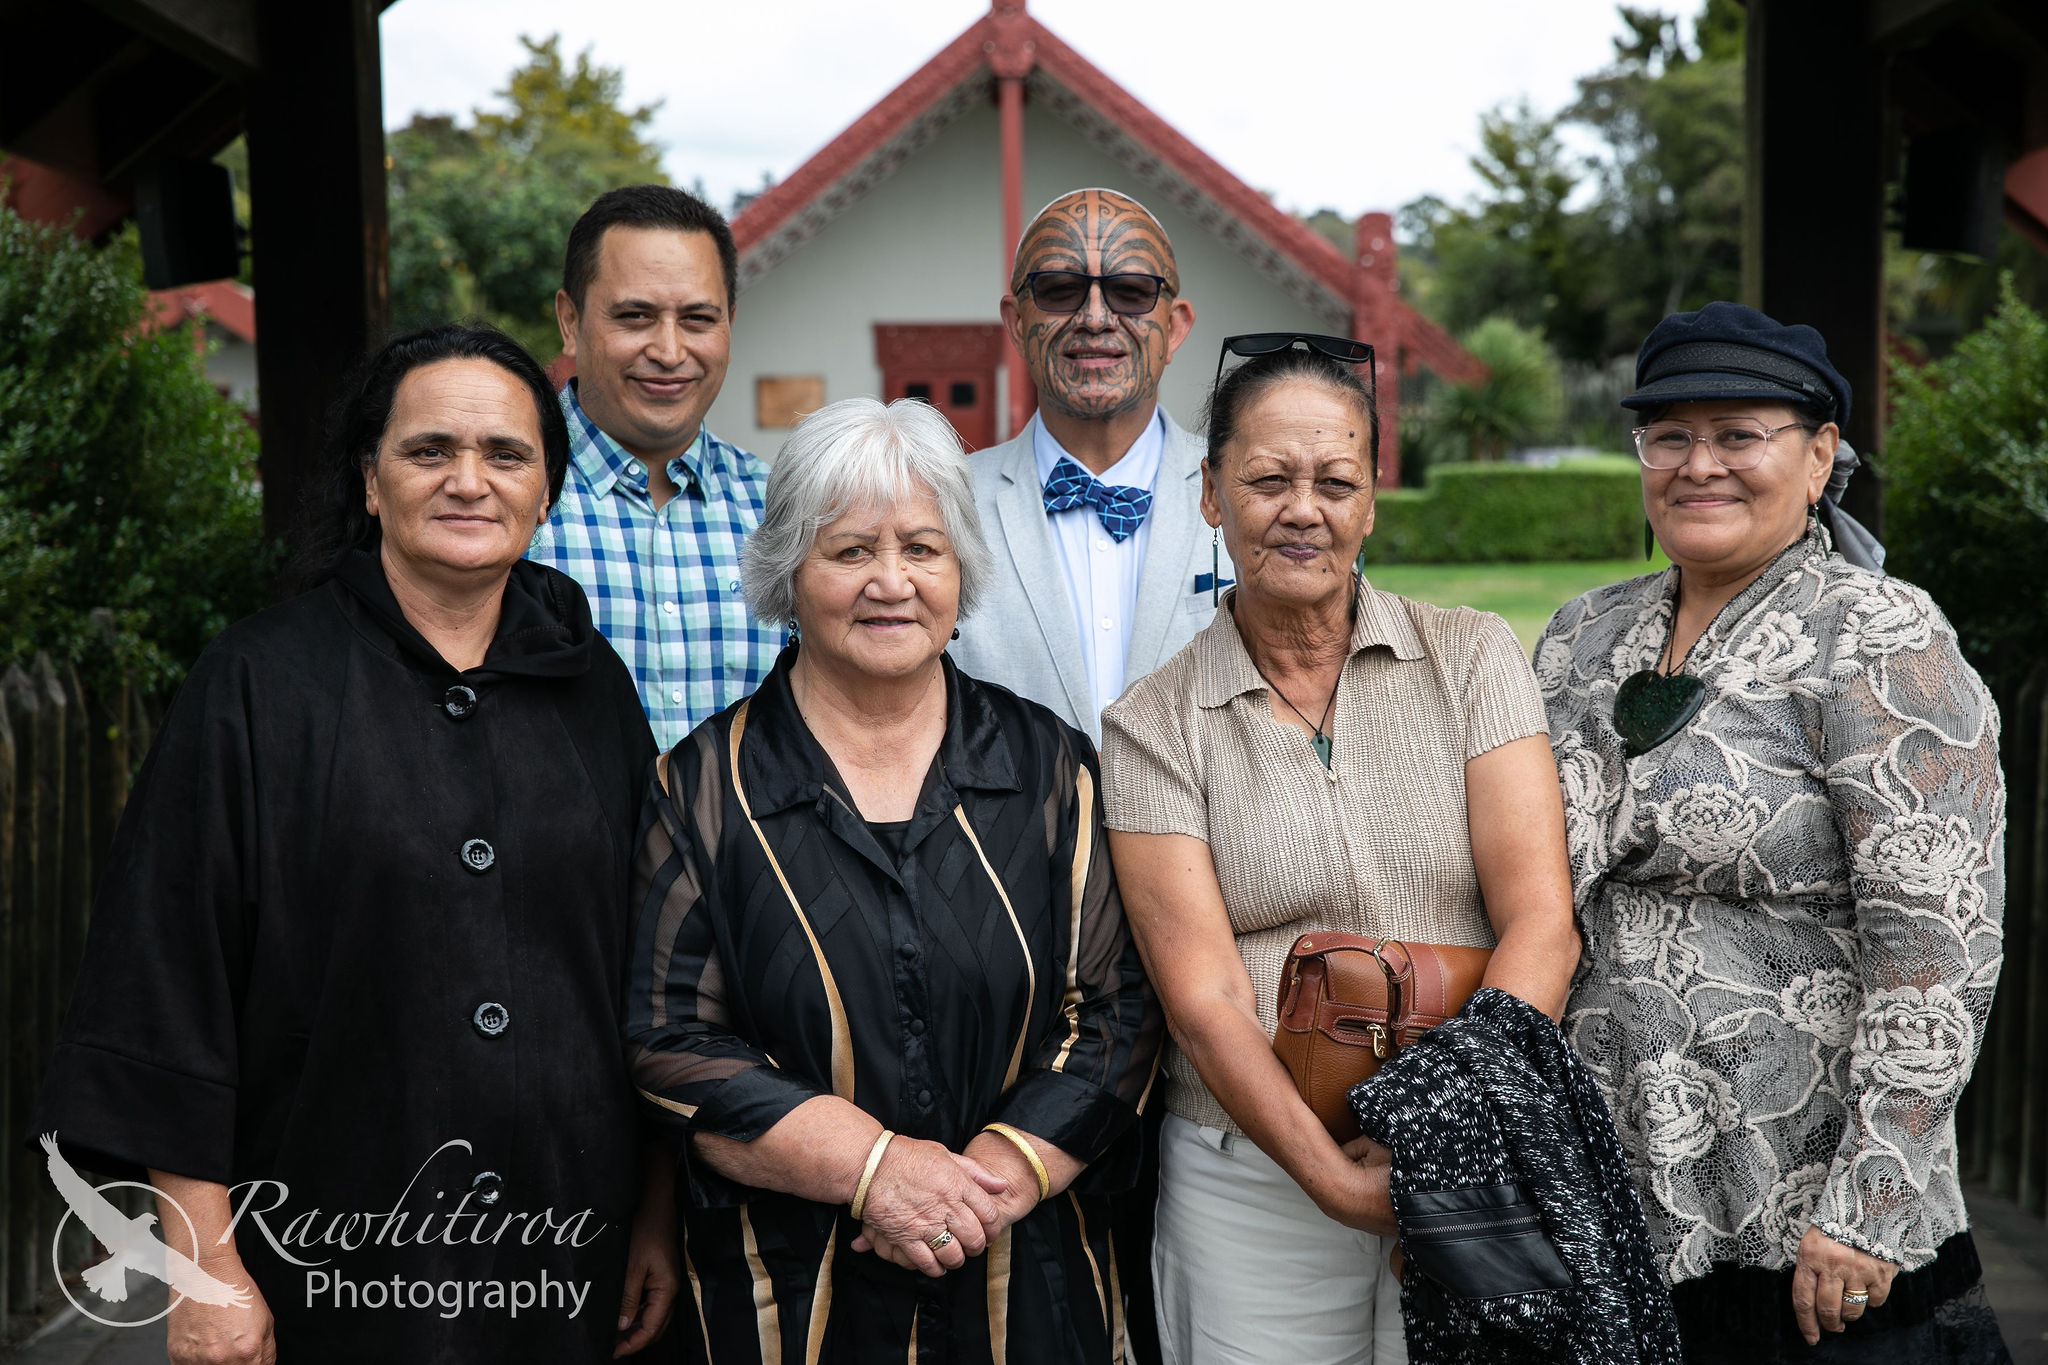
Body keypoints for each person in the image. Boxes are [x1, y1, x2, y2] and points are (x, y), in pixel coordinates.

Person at [32, 325, 679, 1362]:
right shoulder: (257, 685)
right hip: (329, 1262)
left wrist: (654, 1208)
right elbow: (165, 981)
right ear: (369, 481)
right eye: (429, 450)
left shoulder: (592, 688)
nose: (468, 479)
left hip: (571, 1248)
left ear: (546, 491)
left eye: (505, 454)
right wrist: (202, 1266)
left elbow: (649, 971)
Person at [623, 396, 1163, 1363]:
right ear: (790, 571)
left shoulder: (1050, 768)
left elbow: (1117, 1011)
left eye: (922, 548)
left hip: (1026, 1277)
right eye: (850, 552)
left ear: (962, 572)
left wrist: (979, 1184)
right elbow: (671, 1042)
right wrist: (874, 1169)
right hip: (792, 1290)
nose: (891, 582)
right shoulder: (704, 785)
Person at [1532, 302, 2008, 1363]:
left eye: (1737, 434)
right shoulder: (1580, 634)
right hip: (1611, 1193)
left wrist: (1867, 1203)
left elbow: (1937, 950)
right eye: (1667, 437)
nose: (1698, 464)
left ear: (1817, 455)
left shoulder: (1879, 638)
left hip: (1802, 1222)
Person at [1101, 336, 1582, 1363]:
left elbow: (1539, 919)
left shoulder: (1471, 655)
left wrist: (1438, 1130)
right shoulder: (1151, 722)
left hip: (1472, 1148)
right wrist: (1327, 1177)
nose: (1301, 509)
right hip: (1249, 1172)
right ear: (1211, 496)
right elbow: (1203, 998)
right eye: (1266, 479)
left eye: (1334, 481)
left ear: (1371, 500)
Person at [951, 187, 1223, 744]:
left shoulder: (1250, 497)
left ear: (1174, 327)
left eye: (1130, 291)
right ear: (1015, 322)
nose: (1095, 318)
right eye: (1059, 290)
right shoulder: (943, 506)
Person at [530, 183, 781, 750]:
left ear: (729, 325)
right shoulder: (503, 498)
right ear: (570, 320)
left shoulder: (783, 509)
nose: (669, 351)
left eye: (697, 319)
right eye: (635, 316)